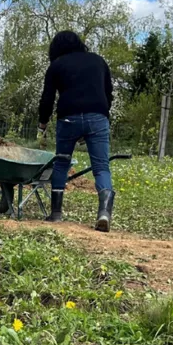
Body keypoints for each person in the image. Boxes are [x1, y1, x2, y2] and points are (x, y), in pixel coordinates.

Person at [38, 30, 115, 232]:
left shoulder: (56, 65)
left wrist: (42, 123)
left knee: (61, 163)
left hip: (68, 118)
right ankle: (104, 213)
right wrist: (100, 115)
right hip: (97, 116)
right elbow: (108, 94)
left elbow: (47, 98)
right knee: (101, 167)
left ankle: (56, 214)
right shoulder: (98, 61)